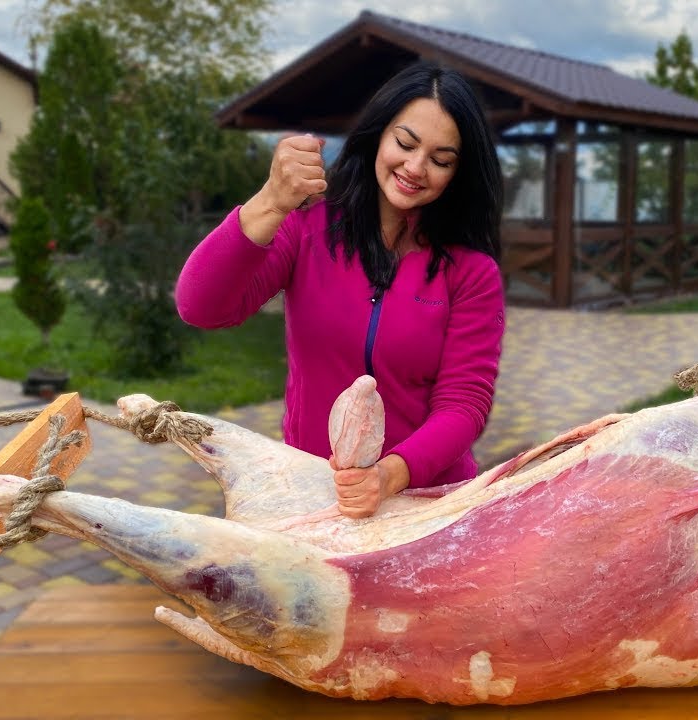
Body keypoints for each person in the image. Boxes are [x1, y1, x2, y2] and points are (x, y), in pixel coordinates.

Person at [176, 62, 505, 520]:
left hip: (428, 506)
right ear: (378, 134)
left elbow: (463, 403)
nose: (415, 167)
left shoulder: (471, 272)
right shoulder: (307, 228)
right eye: (405, 143)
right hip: (311, 491)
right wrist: (271, 200)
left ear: (458, 172)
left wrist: (389, 475)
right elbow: (201, 306)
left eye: (441, 159)